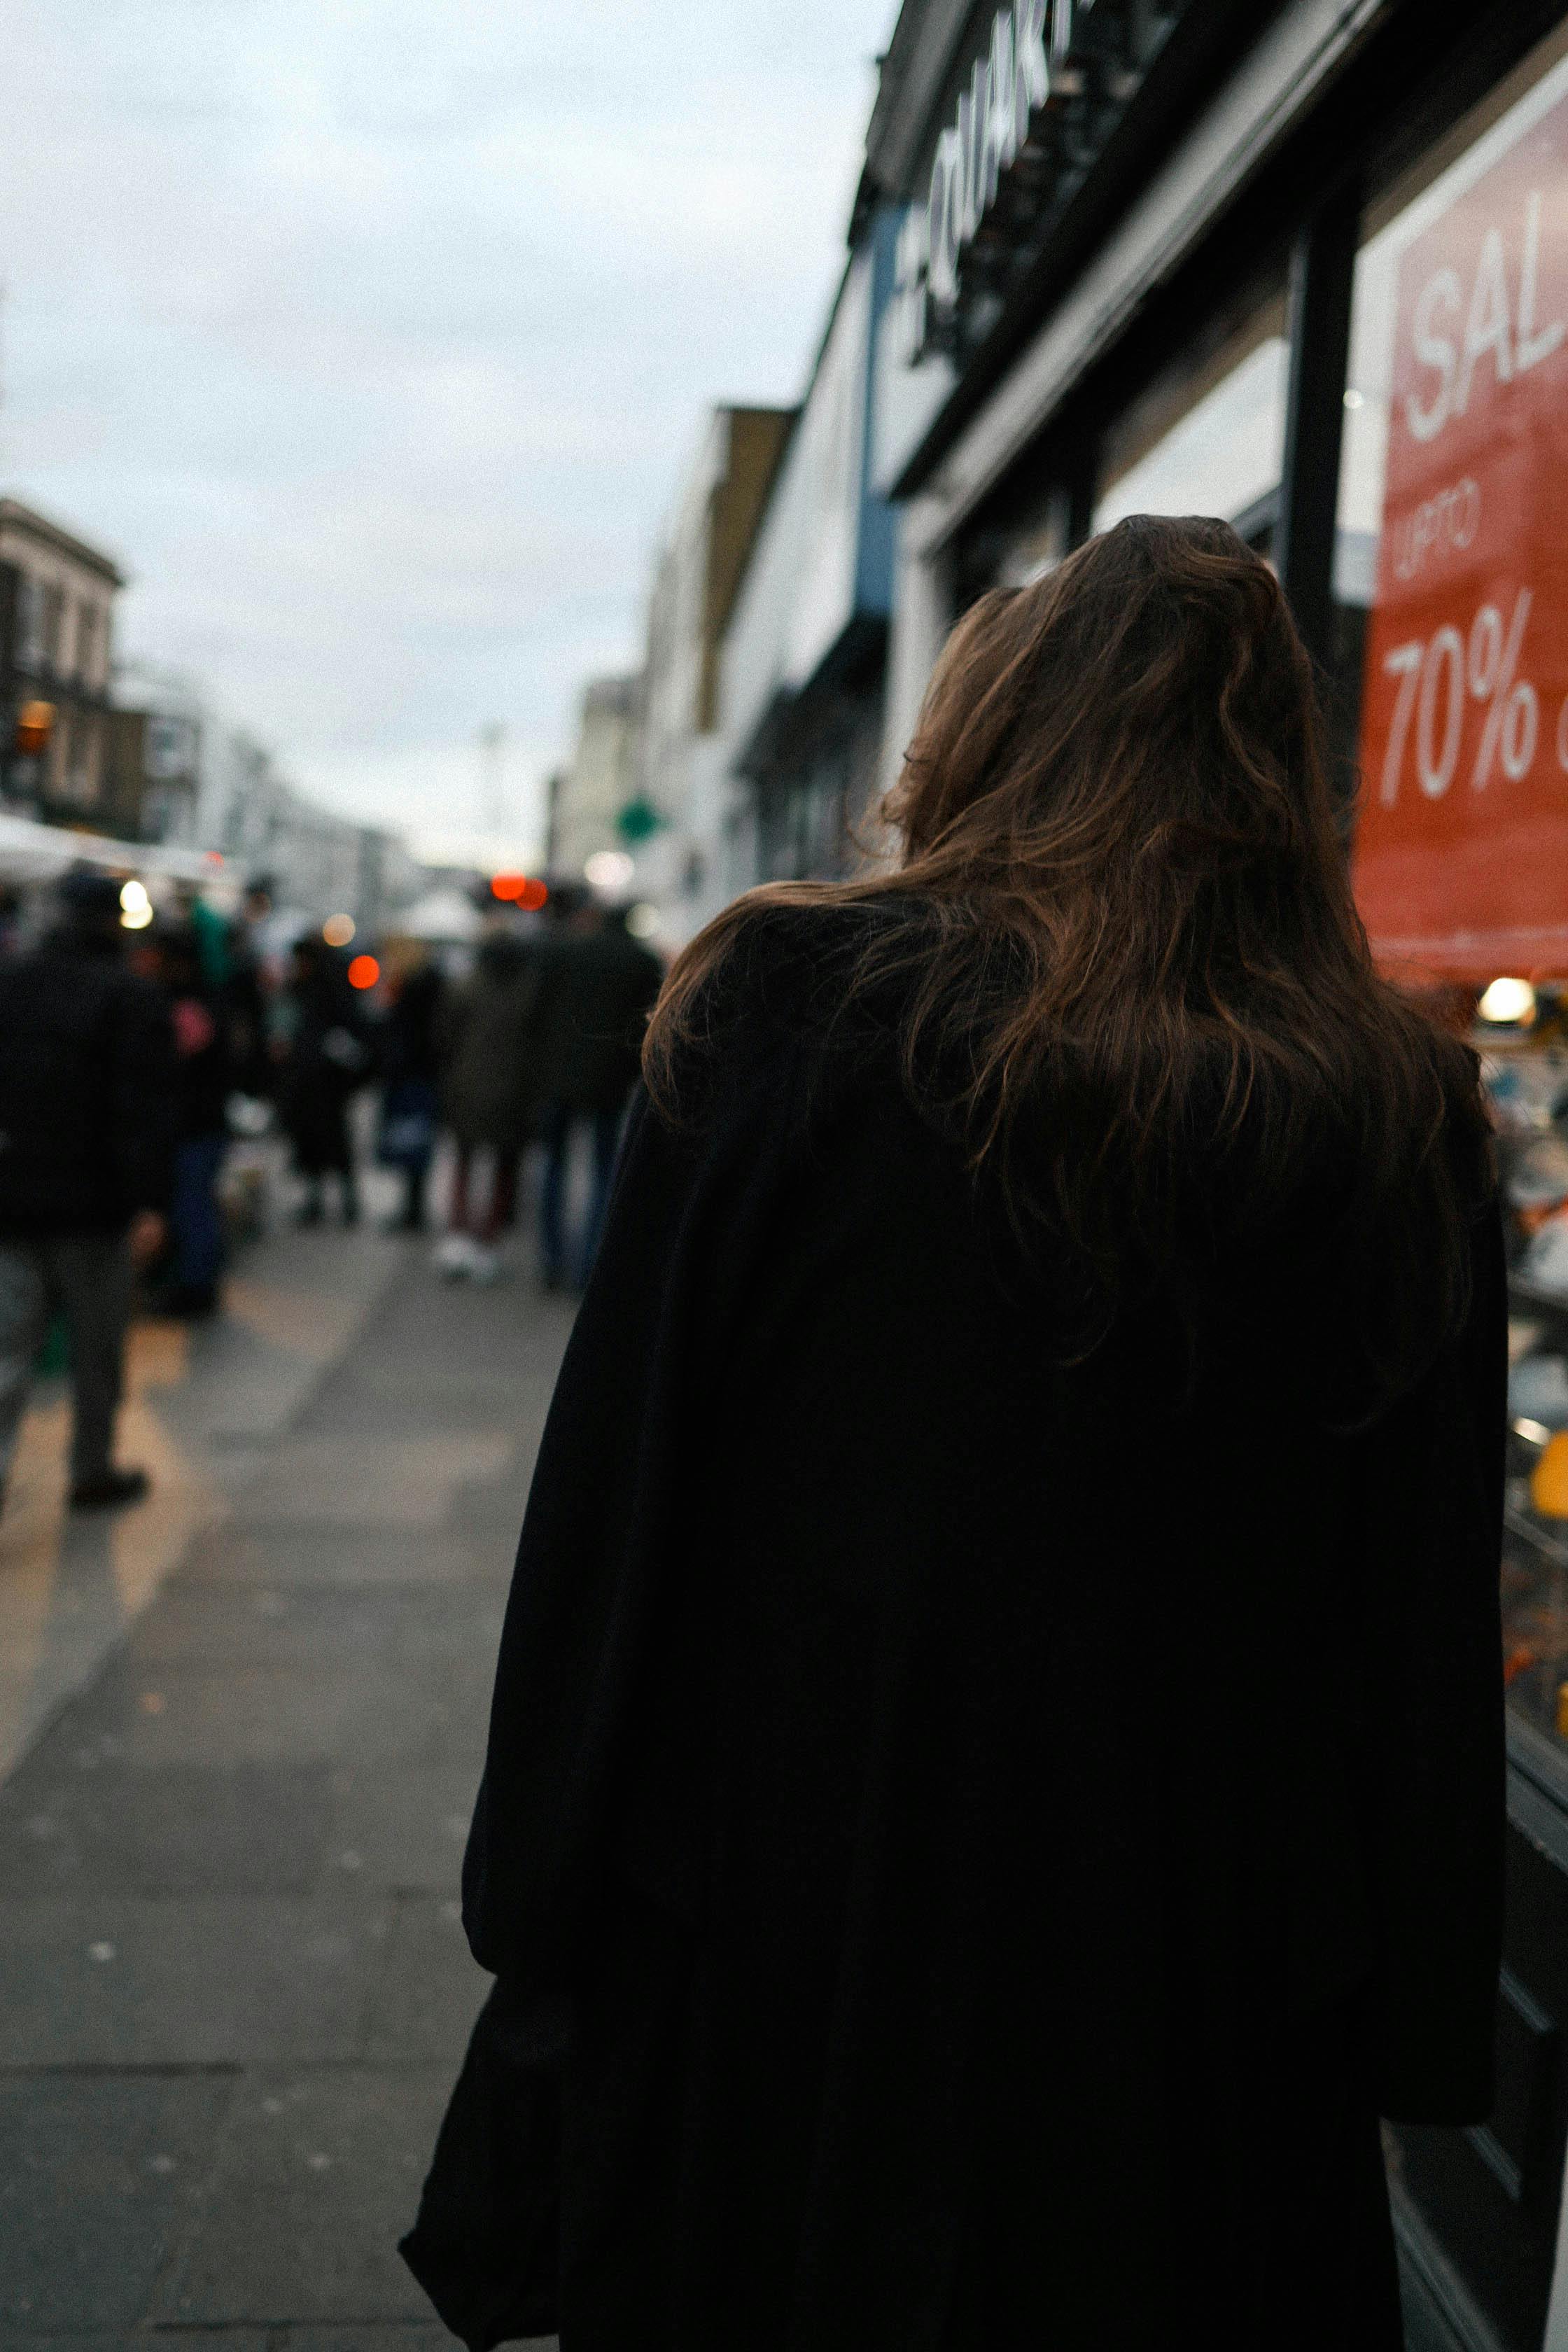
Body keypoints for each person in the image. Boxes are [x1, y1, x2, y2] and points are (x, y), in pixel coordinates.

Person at [402, 519, 1504, 2352]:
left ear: (1000, 734)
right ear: (1272, 777)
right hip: (1196, 1962)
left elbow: (619, 1495)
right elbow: (1420, 1616)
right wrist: (1420, 2014)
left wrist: (542, 1898)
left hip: (803, 1913)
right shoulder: (1396, 1111)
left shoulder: (794, 1007)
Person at [0, 868, 176, 1511]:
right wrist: (150, 1201)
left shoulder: (10, 983)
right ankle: (91, 1469)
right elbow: (145, 1111)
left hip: (11, 1200)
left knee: (6, 1354)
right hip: (95, 1208)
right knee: (96, 1353)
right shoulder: (132, 998)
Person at [532, 897, 664, 1292]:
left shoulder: (563, 954)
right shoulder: (641, 962)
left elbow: (538, 1013)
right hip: (609, 1083)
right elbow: (647, 1028)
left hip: (556, 1078)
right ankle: (589, 1264)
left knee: (553, 1165)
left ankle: (551, 1259)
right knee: (604, 1171)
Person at [433, 920, 545, 1282]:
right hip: (514, 1092)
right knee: (504, 1170)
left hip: (467, 1087)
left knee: (463, 1162)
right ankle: (488, 1241)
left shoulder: (466, 986)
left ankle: (458, 1234)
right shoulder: (530, 991)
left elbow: (445, 1037)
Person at [145, 923, 232, 1317]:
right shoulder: (202, 1000)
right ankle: (195, 1282)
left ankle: (197, 1288)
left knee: (192, 1207)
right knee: (194, 1206)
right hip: (198, 1125)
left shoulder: (188, 1008)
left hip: (194, 1128)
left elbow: (174, 1066)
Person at [272, 934, 368, 1226]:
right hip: (309, 1082)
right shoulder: (303, 988)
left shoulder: (330, 989)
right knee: (314, 1144)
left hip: (328, 1082)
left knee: (335, 1143)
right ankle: (320, 1201)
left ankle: (346, 1202)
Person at [377, 946, 446, 1233]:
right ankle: (414, 1209)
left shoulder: (412, 990)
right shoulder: (433, 987)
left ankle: (413, 1211)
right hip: (423, 1078)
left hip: (410, 1078)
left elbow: (401, 1036)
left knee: (409, 1146)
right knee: (417, 1147)